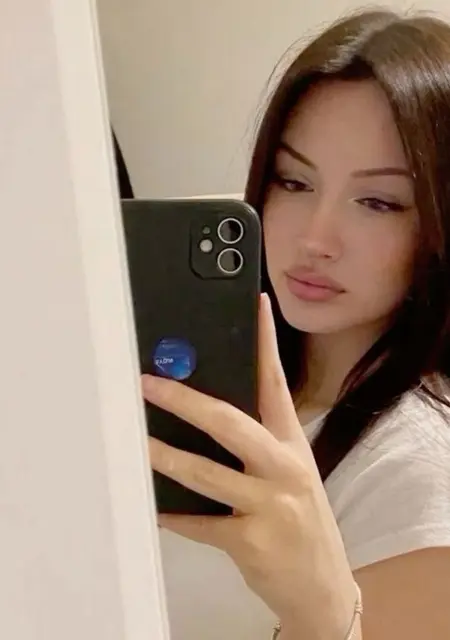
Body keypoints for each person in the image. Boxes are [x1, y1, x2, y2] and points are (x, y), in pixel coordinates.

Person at [142, 8, 450, 640]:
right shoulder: (229, 380)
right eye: (293, 181)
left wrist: (321, 608)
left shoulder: (419, 471)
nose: (315, 239)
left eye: (378, 202)